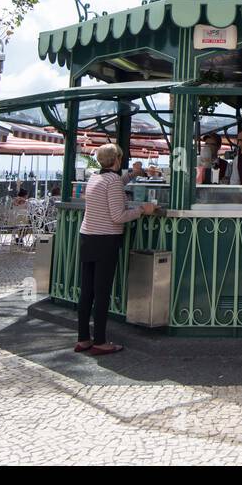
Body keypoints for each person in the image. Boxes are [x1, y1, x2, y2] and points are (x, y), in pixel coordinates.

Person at [76, 144, 156, 356]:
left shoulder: (95, 177)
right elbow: (118, 217)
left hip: (88, 237)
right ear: (117, 159)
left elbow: (113, 183)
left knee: (87, 291)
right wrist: (142, 209)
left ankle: (83, 338)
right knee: (102, 292)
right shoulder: (112, 182)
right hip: (105, 240)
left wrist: (132, 174)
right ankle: (100, 341)